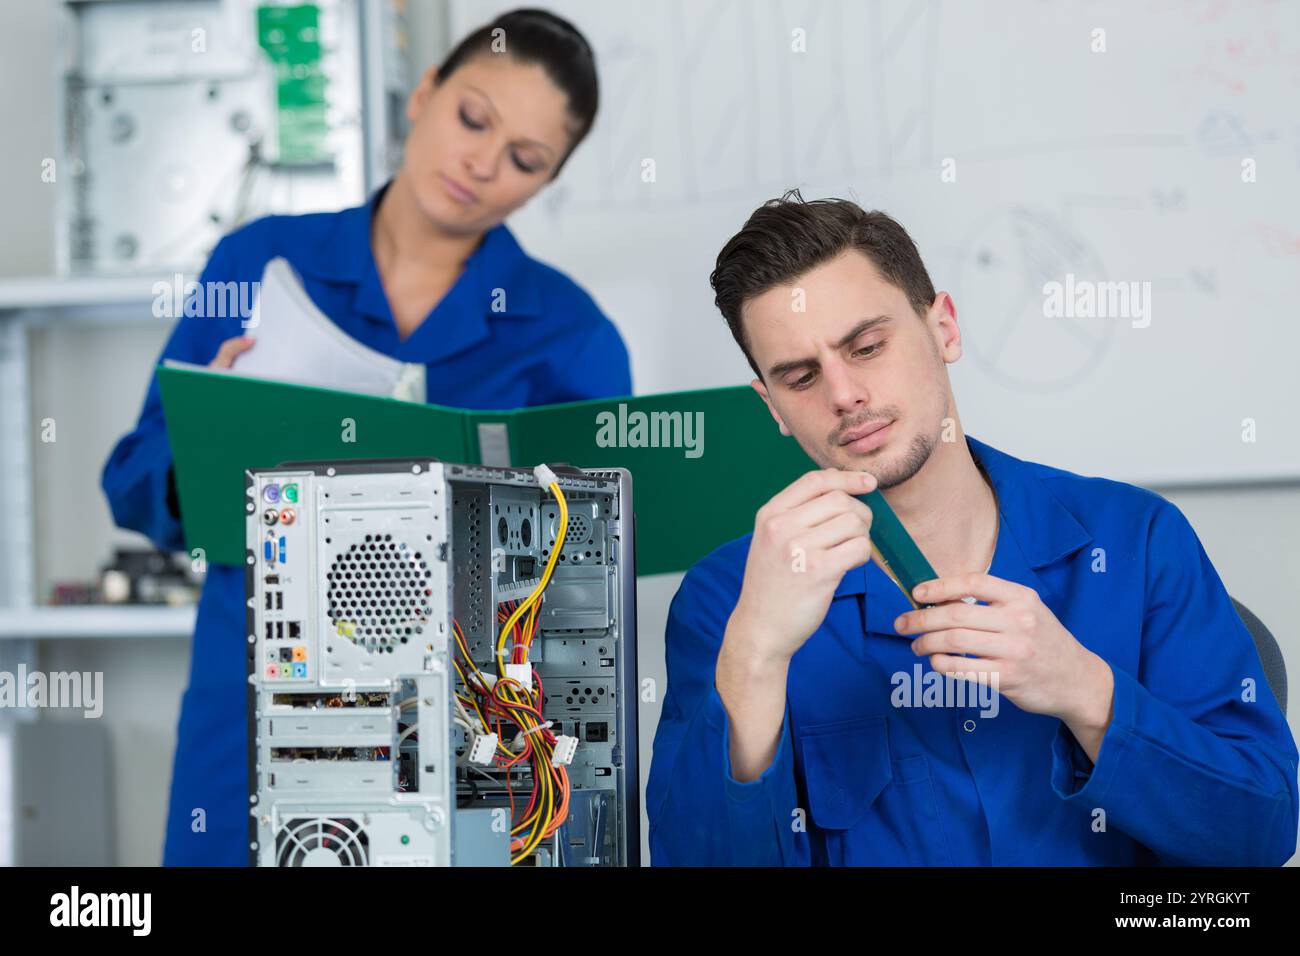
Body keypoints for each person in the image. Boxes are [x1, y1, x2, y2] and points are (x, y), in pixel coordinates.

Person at [102, 8, 632, 866]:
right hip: (259, 707)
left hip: (468, 738)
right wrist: (213, 436)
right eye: (472, 118)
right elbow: (132, 477)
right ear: (422, 94)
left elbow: (586, 593)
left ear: (545, 182)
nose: (481, 165)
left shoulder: (571, 334)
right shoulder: (255, 263)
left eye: (525, 160)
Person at [645, 191, 1298, 865]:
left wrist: (1084, 690)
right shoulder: (726, 600)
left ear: (945, 329)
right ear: (772, 407)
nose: (844, 395)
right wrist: (754, 656)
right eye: (801, 376)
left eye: (867, 346)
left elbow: (1261, 833)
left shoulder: (1135, 542)